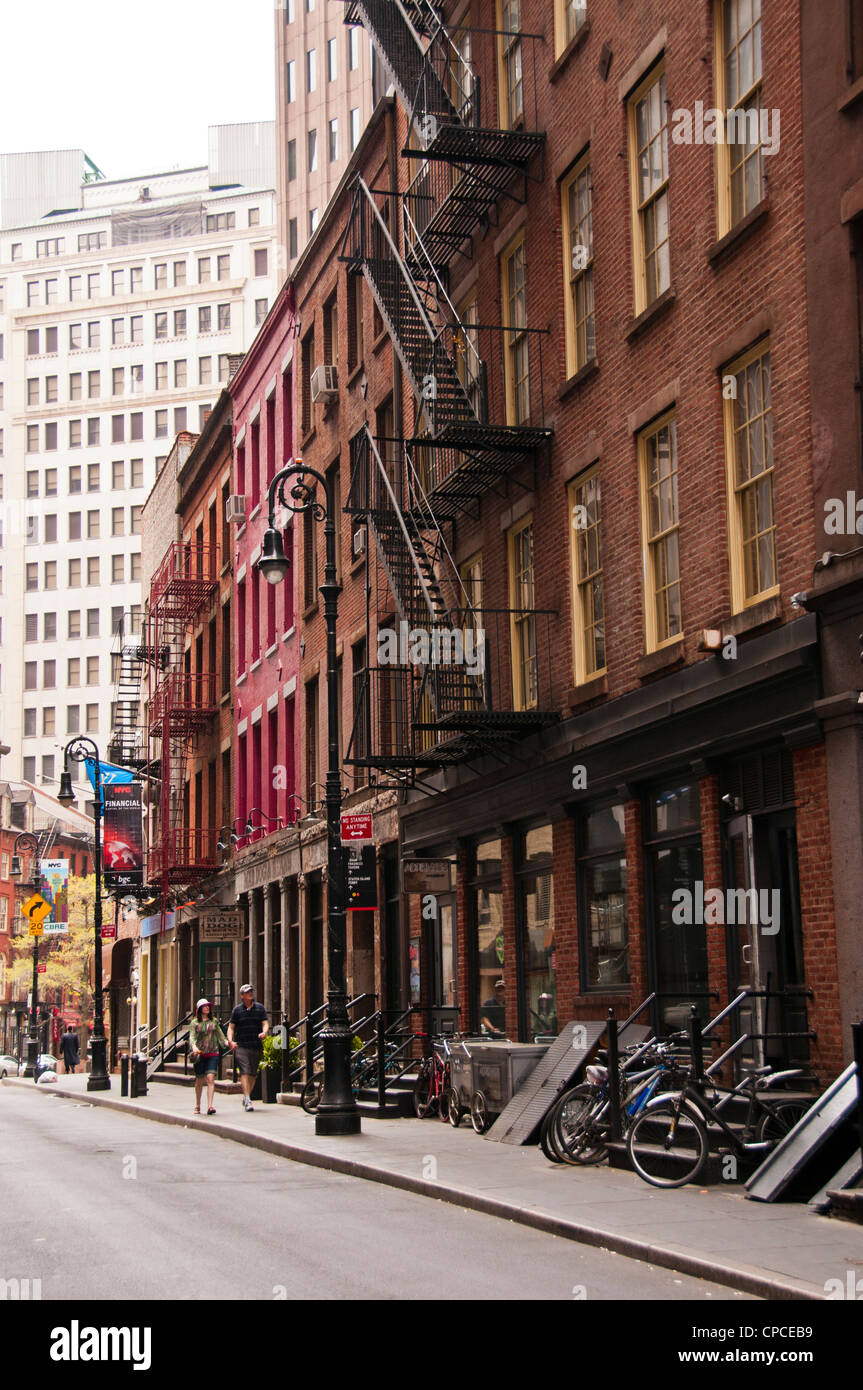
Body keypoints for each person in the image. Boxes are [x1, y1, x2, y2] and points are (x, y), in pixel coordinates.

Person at [188, 998, 235, 1115]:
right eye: (205, 1006)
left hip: (212, 1053)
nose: (207, 1008)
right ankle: (198, 1105)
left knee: (210, 1078)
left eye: (208, 1006)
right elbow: (192, 1037)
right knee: (199, 1079)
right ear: (199, 1009)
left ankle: (210, 1106)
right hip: (200, 1054)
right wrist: (194, 1047)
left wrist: (227, 1043)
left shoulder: (213, 1022)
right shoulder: (194, 1023)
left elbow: (220, 1036)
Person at [227, 985, 269, 1112]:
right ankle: (247, 1098)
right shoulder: (237, 1010)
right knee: (245, 1071)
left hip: (256, 1045)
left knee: (253, 1073)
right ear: (242, 996)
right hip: (242, 1045)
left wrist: (264, 1032)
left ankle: (247, 1096)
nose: (250, 994)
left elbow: (265, 1023)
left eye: (251, 991)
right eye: (247, 992)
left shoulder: (260, 1008)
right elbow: (231, 1027)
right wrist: (230, 1040)